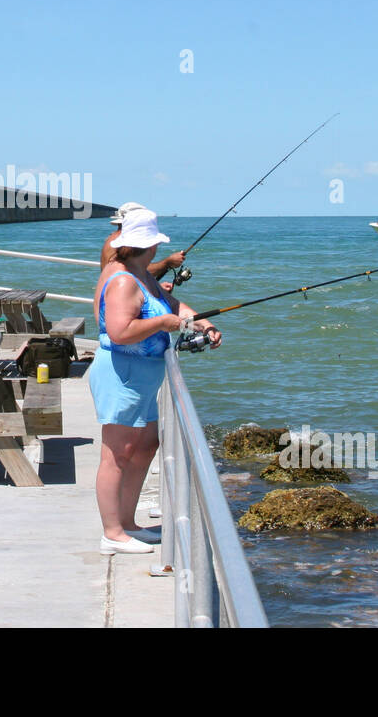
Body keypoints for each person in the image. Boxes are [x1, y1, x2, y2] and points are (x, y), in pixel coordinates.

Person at [89, 207, 220, 555]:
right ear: (145, 246)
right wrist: (164, 325)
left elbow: (170, 303)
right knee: (116, 454)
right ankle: (112, 533)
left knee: (146, 445)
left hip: (146, 374)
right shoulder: (121, 280)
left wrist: (202, 323)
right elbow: (119, 332)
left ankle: (128, 523)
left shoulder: (140, 274)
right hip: (123, 372)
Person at [101, 201, 186, 285]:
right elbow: (137, 271)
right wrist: (167, 262)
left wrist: (158, 289)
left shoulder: (113, 239)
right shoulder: (123, 242)